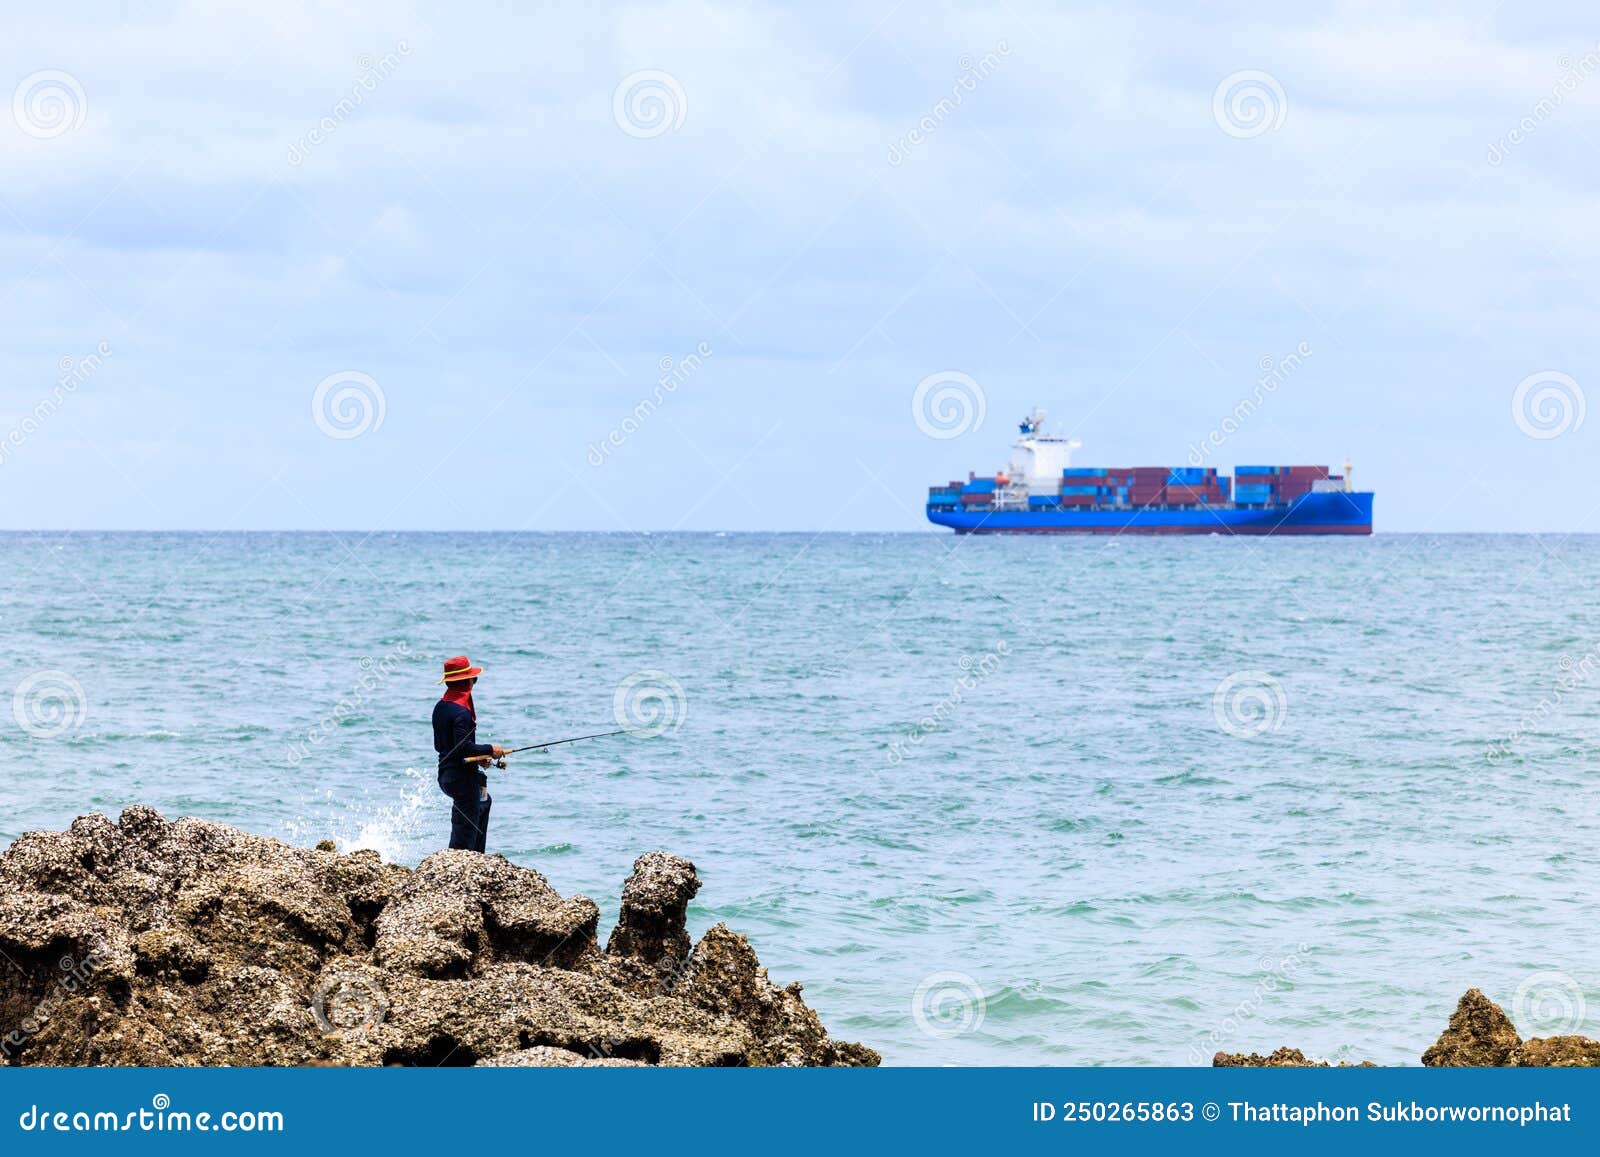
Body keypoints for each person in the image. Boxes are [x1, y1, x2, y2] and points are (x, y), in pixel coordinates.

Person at [432, 655, 505, 852]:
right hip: (461, 780)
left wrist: (479, 758)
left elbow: (445, 746)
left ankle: (476, 858)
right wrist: (490, 749)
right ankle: (461, 866)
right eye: (473, 679)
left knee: (484, 801)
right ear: (465, 682)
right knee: (464, 837)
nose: (474, 682)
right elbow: (463, 748)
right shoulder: (461, 713)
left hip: (446, 775)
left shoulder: (441, 707)